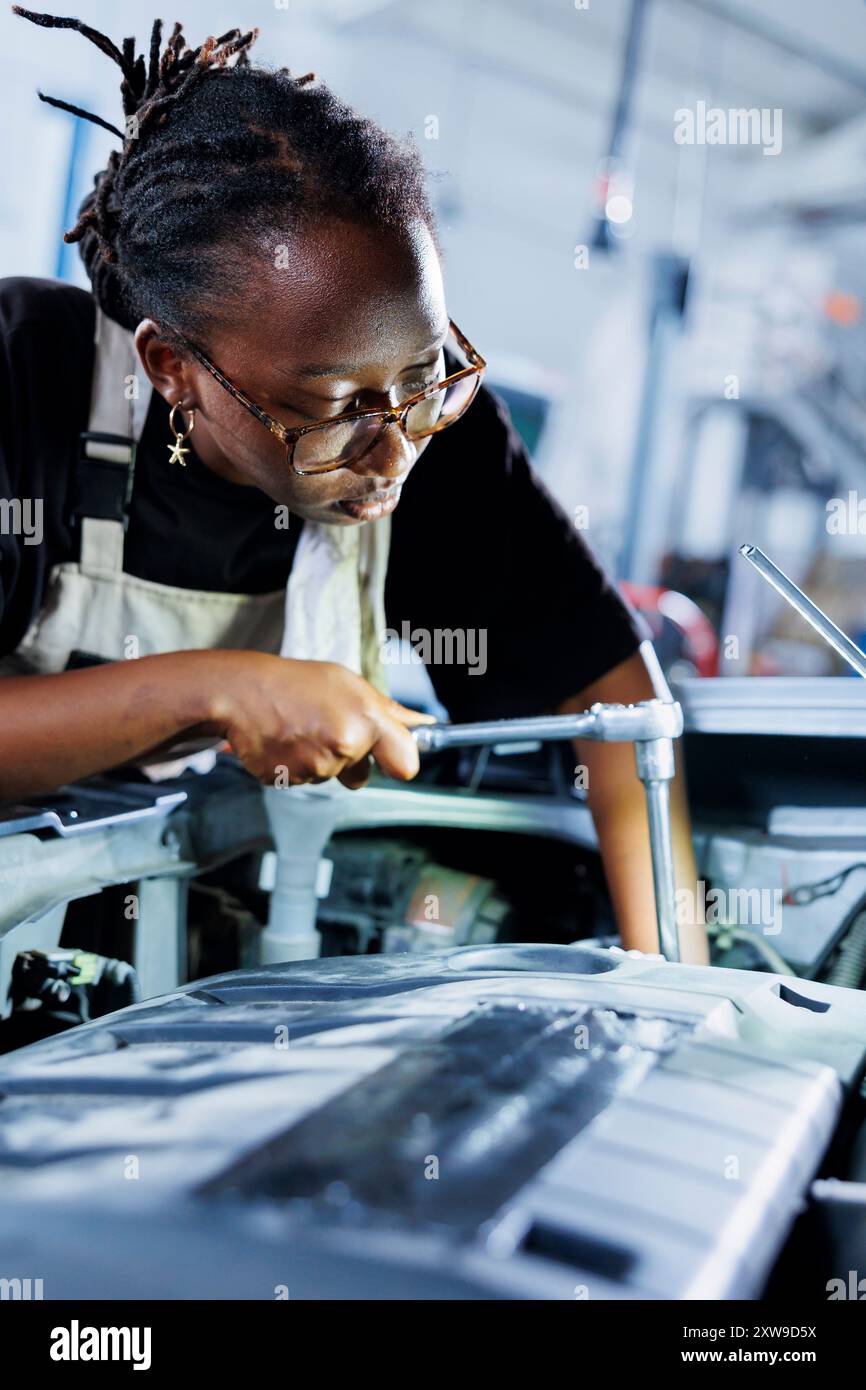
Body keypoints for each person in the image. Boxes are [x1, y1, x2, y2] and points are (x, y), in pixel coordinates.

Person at [0, 9, 706, 960]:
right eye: (332, 409)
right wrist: (214, 690)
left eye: (425, 377)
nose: (395, 455)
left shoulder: (425, 428)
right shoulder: (22, 378)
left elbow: (616, 711)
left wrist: (671, 985)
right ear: (171, 368)